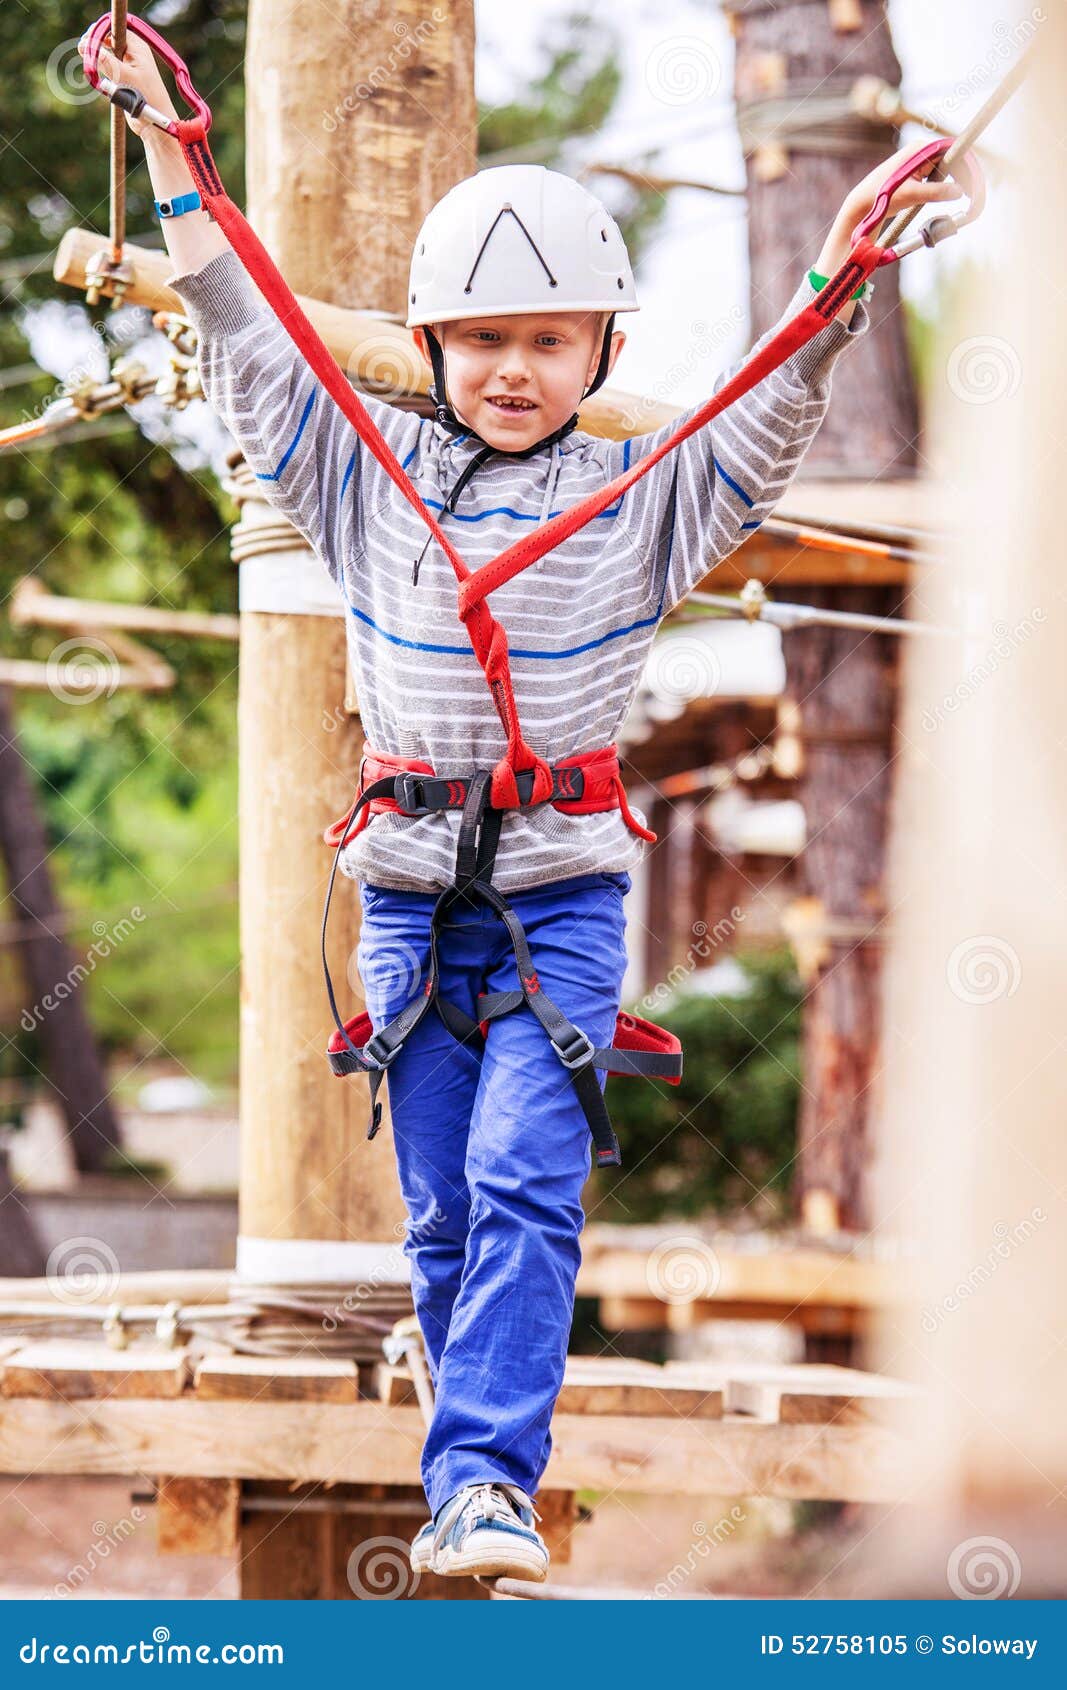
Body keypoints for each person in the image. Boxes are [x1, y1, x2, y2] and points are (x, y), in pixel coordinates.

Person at [90, 31, 961, 1585]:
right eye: (482, 337)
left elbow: (768, 412)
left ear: (599, 355)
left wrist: (843, 279)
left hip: (559, 905)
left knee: (521, 1180)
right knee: (438, 1213)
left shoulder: (638, 505)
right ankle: (462, 1480)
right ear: (429, 342)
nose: (512, 368)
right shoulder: (366, 483)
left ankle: (486, 1483)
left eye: (550, 341)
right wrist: (172, 149)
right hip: (415, 907)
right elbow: (247, 335)